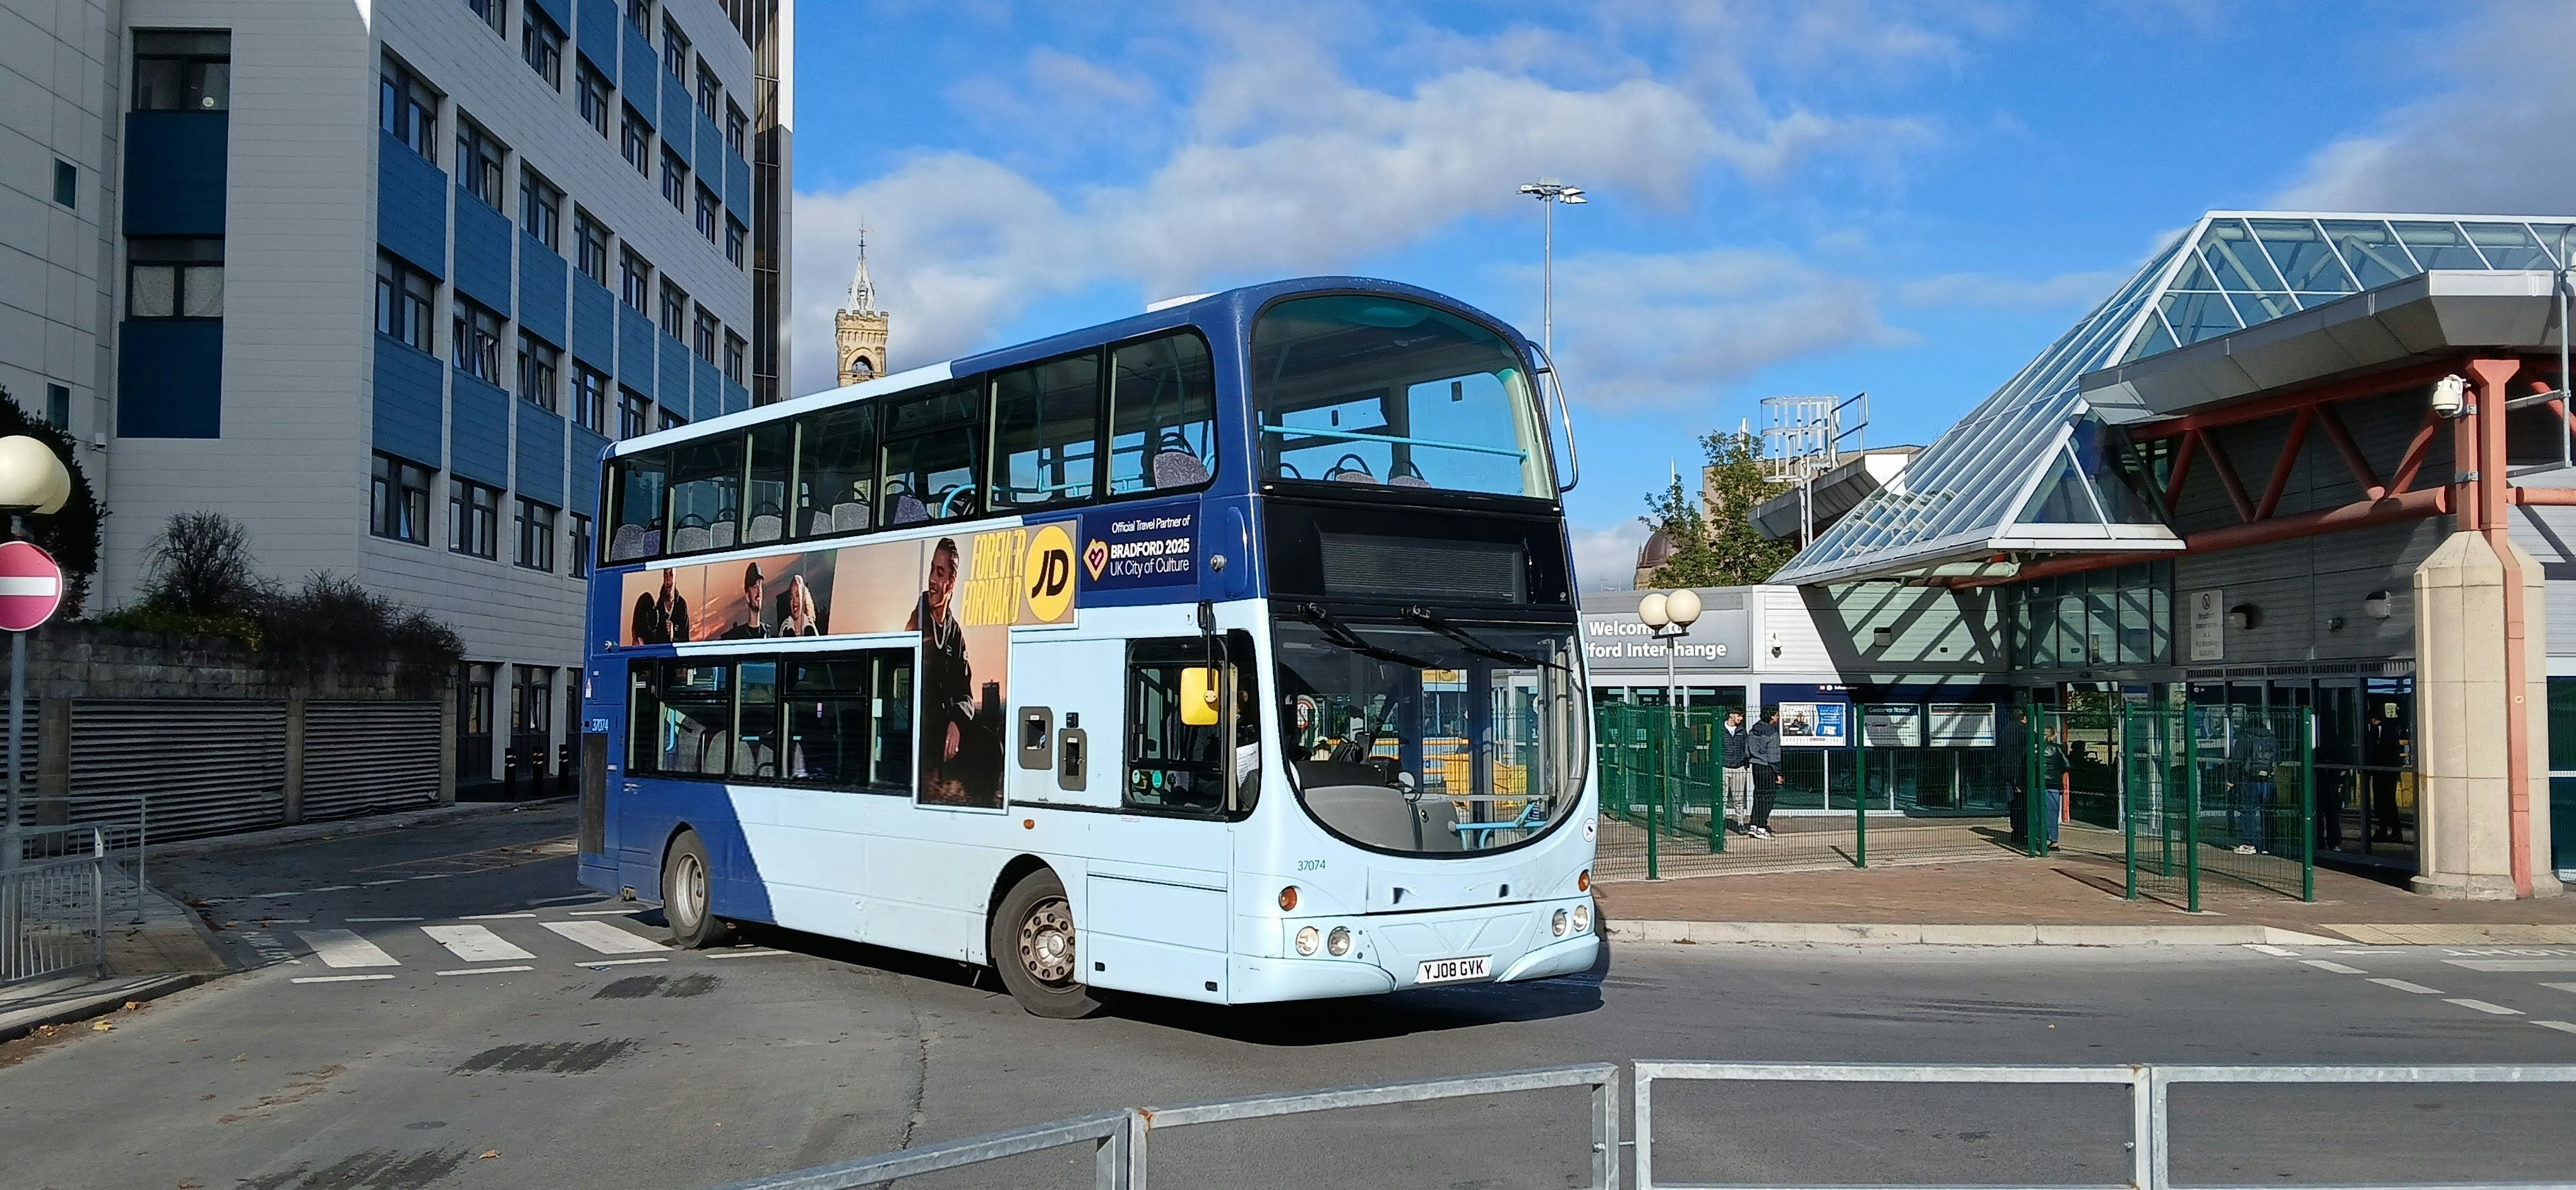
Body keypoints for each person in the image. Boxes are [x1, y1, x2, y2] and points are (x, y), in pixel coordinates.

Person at [909, 538, 992, 806]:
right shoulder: (917, 622)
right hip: (922, 731)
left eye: (940, 573)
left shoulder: (955, 634)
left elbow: (965, 694)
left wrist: (957, 721)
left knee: (990, 745)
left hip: (947, 731)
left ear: (951, 583)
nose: (932, 579)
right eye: (932, 569)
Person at [2234, 717, 2279, 856]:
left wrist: (2231, 779)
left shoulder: (2245, 738)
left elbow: (2237, 760)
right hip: (2268, 779)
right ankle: (2268, 845)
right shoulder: (2272, 738)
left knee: (2249, 810)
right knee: (2268, 811)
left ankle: (2249, 845)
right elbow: (2279, 758)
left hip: (2250, 779)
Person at [2364, 712, 2403, 843]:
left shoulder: (2383, 731)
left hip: (2385, 772)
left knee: (2387, 802)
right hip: (2382, 772)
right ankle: (2385, 829)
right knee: (2383, 802)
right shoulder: (2387, 730)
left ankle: (2392, 830)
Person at [1746, 707, 1783, 839]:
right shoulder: (1771, 733)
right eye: (1777, 715)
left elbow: (1748, 748)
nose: (1778, 718)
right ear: (1772, 717)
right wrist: (1778, 772)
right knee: (1768, 797)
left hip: (1756, 766)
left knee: (1759, 795)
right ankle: (1761, 827)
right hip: (1768, 767)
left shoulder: (1754, 729)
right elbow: (1774, 755)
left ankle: (1754, 824)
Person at [1999, 706, 2030, 848]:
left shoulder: (2006, 729)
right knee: (2023, 804)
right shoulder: (2025, 731)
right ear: (2024, 717)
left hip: (2007, 771)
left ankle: (2016, 831)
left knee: (2013, 804)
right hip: (2020, 772)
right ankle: (2024, 833)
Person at [1719, 709, 1752, 834]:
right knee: (1722, 797)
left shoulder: (1742, 731)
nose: (1741, 718)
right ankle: (1721, 823)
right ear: (1731, 715)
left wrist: (1745, 762)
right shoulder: (1720, 730)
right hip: (1724, 766)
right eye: (1739, 716)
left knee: (1738, 798)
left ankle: (1740, 823)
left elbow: (1746, 746)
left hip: (1739, 767)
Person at [2040, 724, 2070, 854]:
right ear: (2053, 736)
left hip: (2037, 784)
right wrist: (2057, 772)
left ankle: (2039, 838)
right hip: (2052, 783)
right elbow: (2067, 765)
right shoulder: (2056, 749)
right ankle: (2054, 841)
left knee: (2037, 812)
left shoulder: (2033, 747)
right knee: (2052, 812)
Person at [719, 563, 769, 640]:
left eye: (760, 585)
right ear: (748, 597)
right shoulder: (735, 637)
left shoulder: (768, 634)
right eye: (755, 587)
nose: (759, 592)